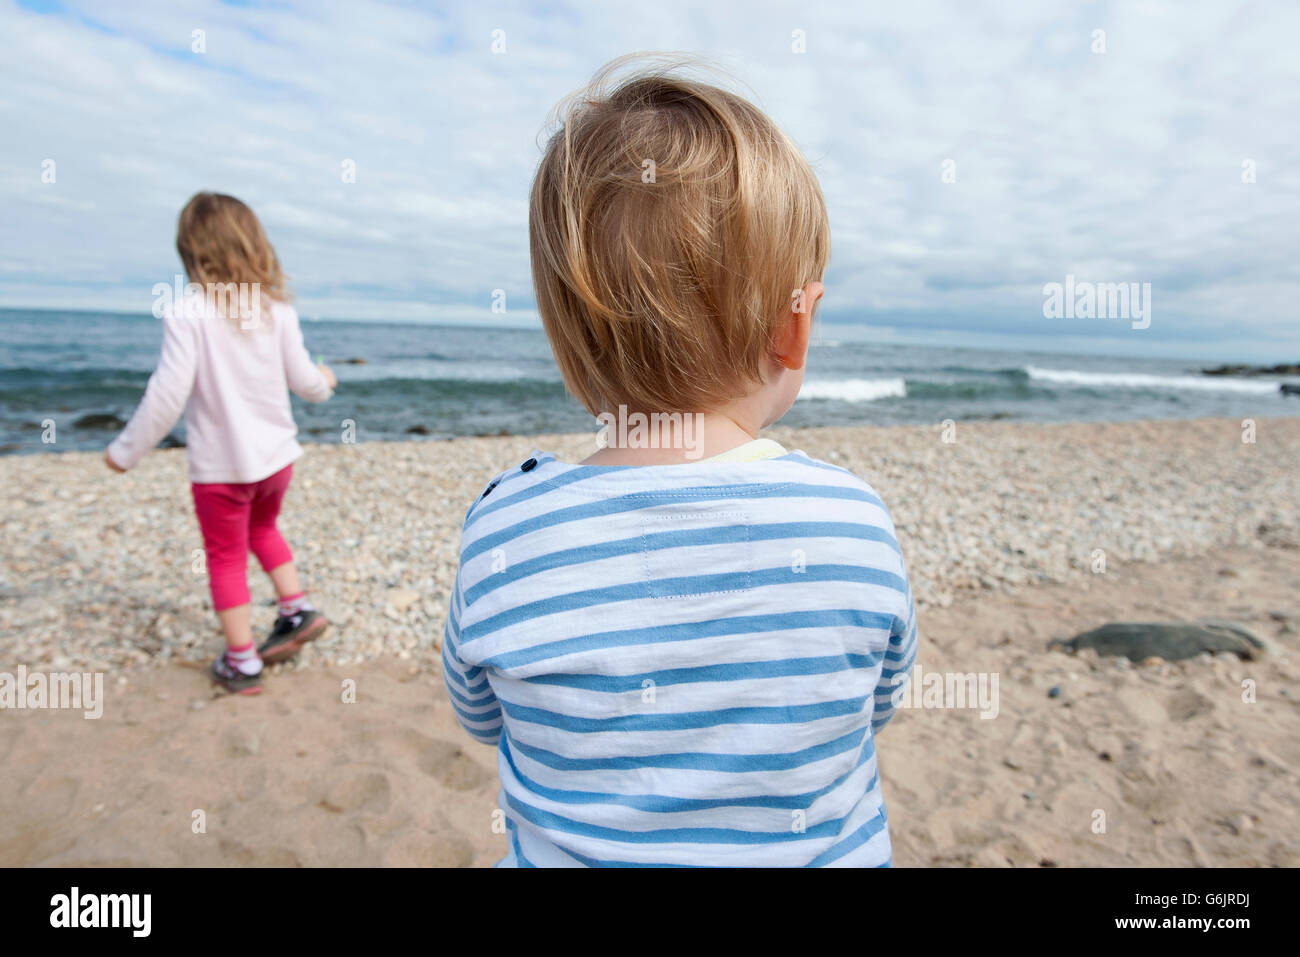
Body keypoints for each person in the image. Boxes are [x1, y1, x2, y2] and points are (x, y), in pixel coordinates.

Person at [441, 58, 919, 866]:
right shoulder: (851, 523)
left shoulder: (505, 531)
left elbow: (481, 715)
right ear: (795, 328)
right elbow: (874, 704)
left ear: (566, 335)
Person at [105, 192, 335, 694]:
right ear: (255, 244)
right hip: (276, 463)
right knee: (265, 528)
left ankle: (241, 662)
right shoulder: (276, 310)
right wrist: (325, 381)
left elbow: (166, 395)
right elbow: (304, 381)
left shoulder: (188, 312)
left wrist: (125, 452)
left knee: (225, 556)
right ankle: (295, 610)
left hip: (222, 471)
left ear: (190, 251)